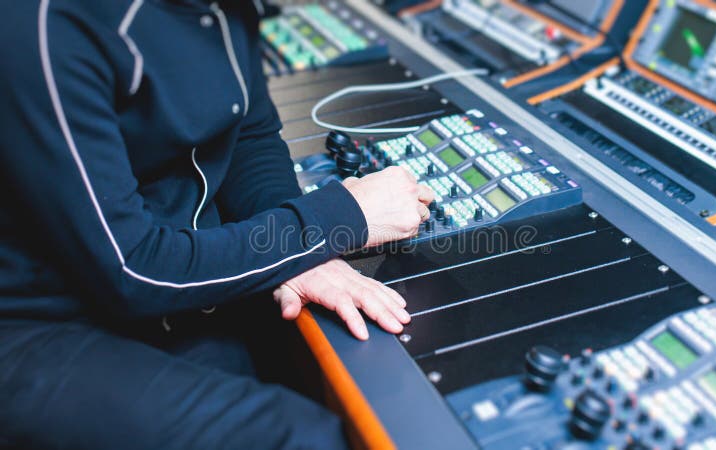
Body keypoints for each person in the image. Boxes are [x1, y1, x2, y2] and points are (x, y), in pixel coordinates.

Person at [0, 0, 434, 448]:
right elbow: (133, 269)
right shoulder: (49, 23)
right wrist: (339, 218)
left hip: (160, 285)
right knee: (306, 438)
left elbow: (248, 133)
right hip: (38, 325)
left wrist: (301, 251)